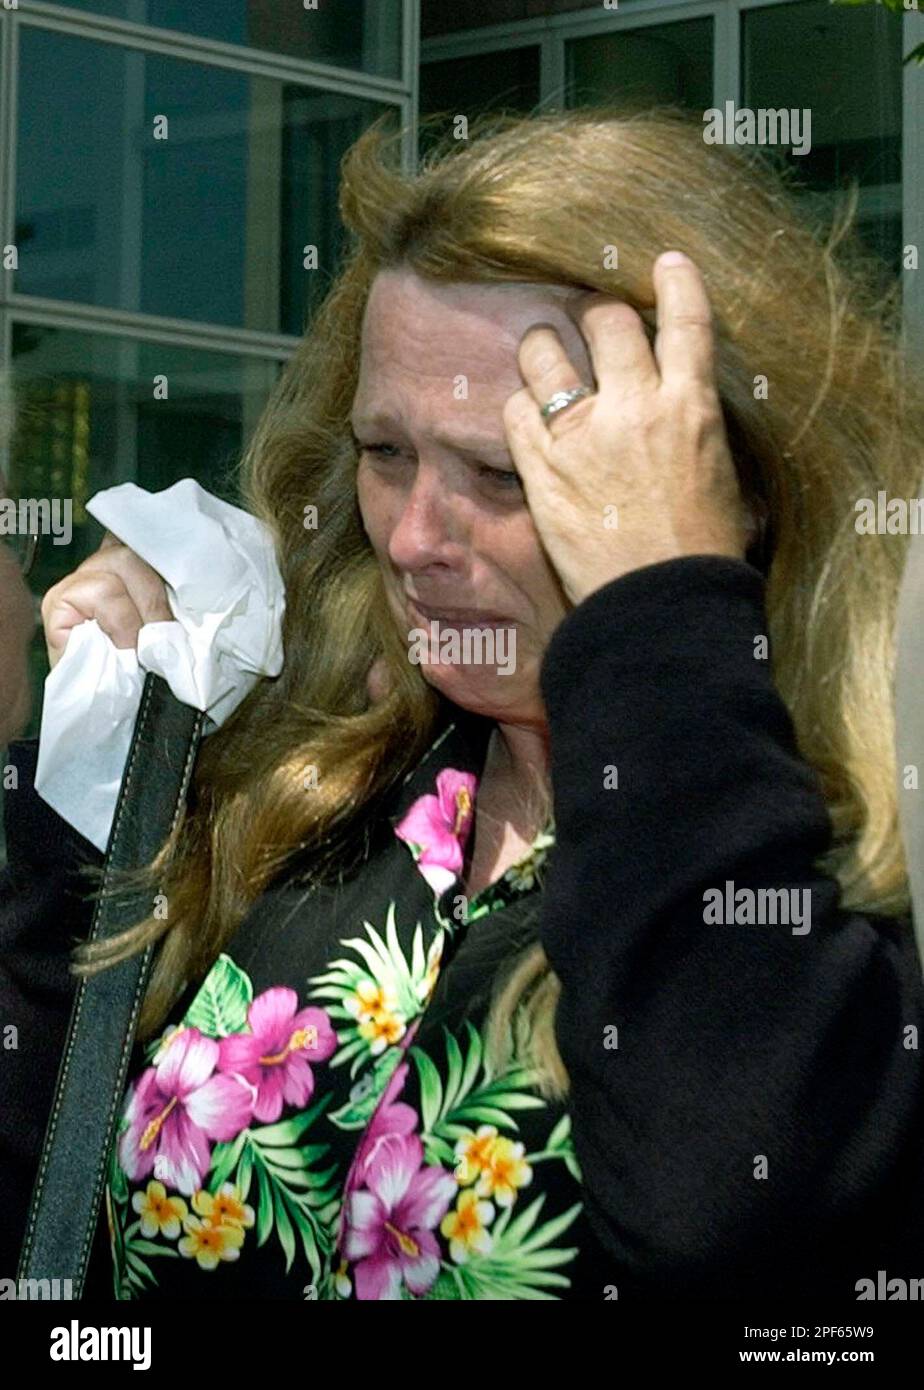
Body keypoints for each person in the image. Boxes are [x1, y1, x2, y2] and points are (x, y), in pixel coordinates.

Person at [2, 108, 923, 1301]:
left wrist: (657, 613)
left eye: (503, 473)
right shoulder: (317, 786)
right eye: (387, 453)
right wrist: (98, 785)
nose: (418, 539)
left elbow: (726, 1224)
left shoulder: (840, 873)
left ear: (721, 487)